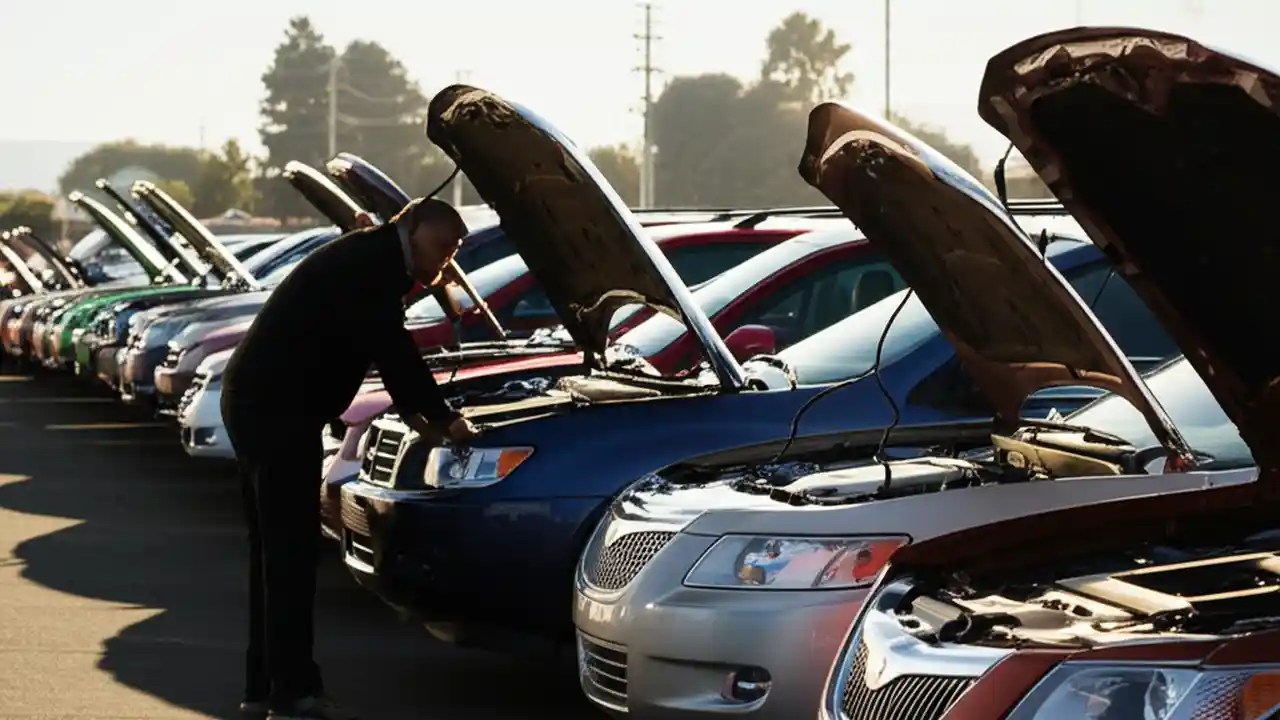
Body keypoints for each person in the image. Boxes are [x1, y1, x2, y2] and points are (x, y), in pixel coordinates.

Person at [221, 198, 481, 720]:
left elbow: (383, 347)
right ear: (409, 226)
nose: (443, 262)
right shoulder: (375, 266)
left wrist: (425, 414)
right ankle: (293, 693)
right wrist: (442, 419)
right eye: (440, 246)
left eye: (453, 252)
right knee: (290, 554)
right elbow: (394, 353)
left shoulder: (371, 256)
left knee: (272, 554)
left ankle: (264, 688)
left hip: (258, 402)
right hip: (276, 411)